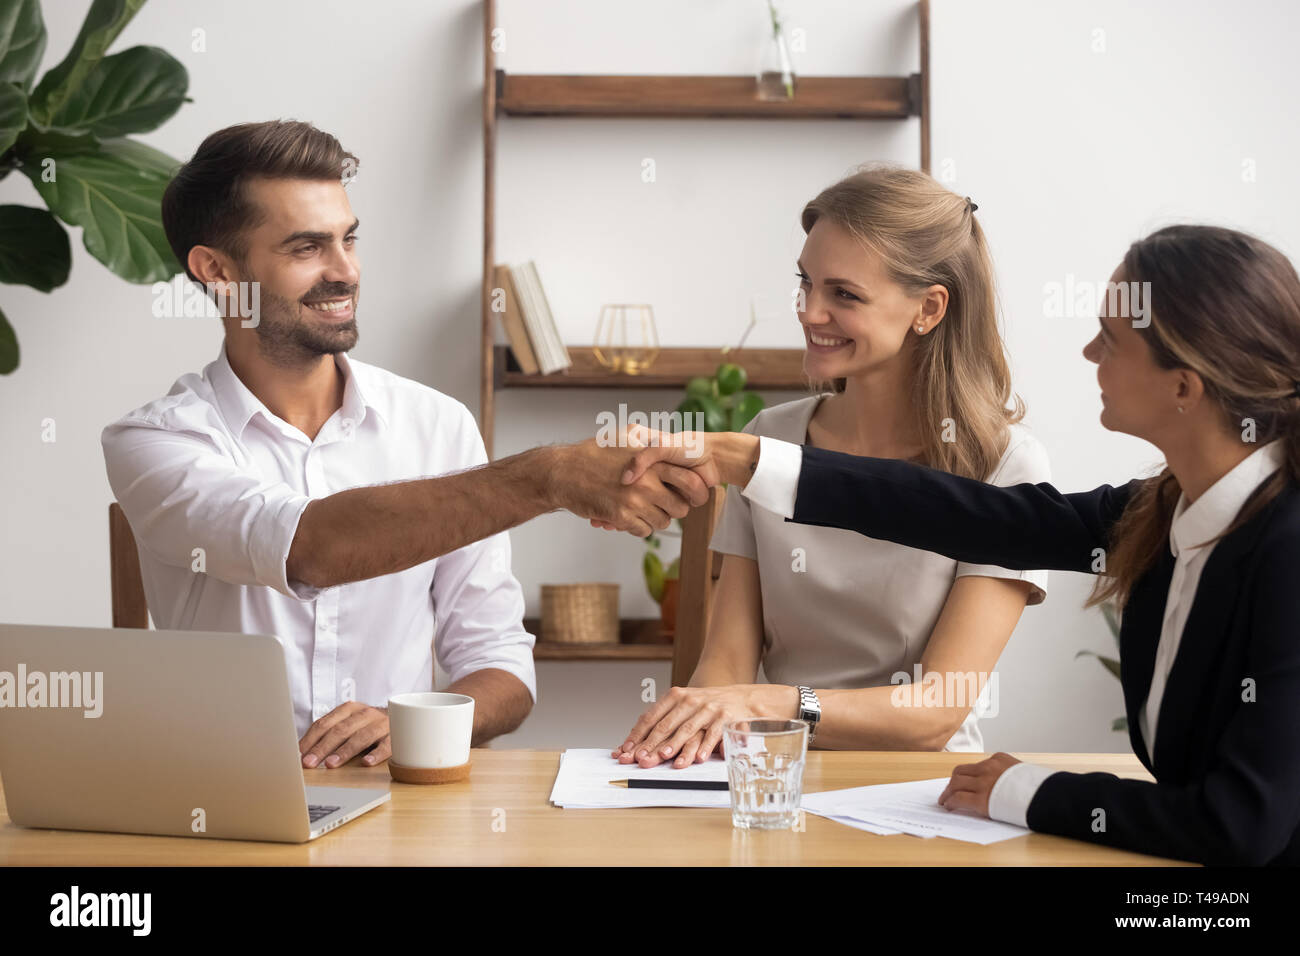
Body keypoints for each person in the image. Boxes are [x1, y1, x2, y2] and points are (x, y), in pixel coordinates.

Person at [619, 224, 1300, 866]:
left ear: (1184, 387)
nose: (1089, 354)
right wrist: (750, 458)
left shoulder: (1284, 552)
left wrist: (1028, 792)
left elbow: (1237, 825)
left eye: (1109, 339)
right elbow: (969, 514)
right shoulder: (1165, 509)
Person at [102, 120, 707, 772]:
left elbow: (499, 663)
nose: (346, 271)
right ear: (217, 270)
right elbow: (309, 548)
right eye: (307, 248)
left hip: (396, 813)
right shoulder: (157, 442)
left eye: (349, 239)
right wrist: (548, 475)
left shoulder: (437, 426)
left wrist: (415, 727)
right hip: (221, 804)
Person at [610, 166, 1049, 769]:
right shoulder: (770, 438)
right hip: (776, 772)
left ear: (928, 308)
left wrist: (774, 703)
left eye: (844, 294)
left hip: (922, 794)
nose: (809, 312)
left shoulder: (1005, 465)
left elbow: (935, 713)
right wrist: (686, 738)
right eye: (806, 283)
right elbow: (725, 667)